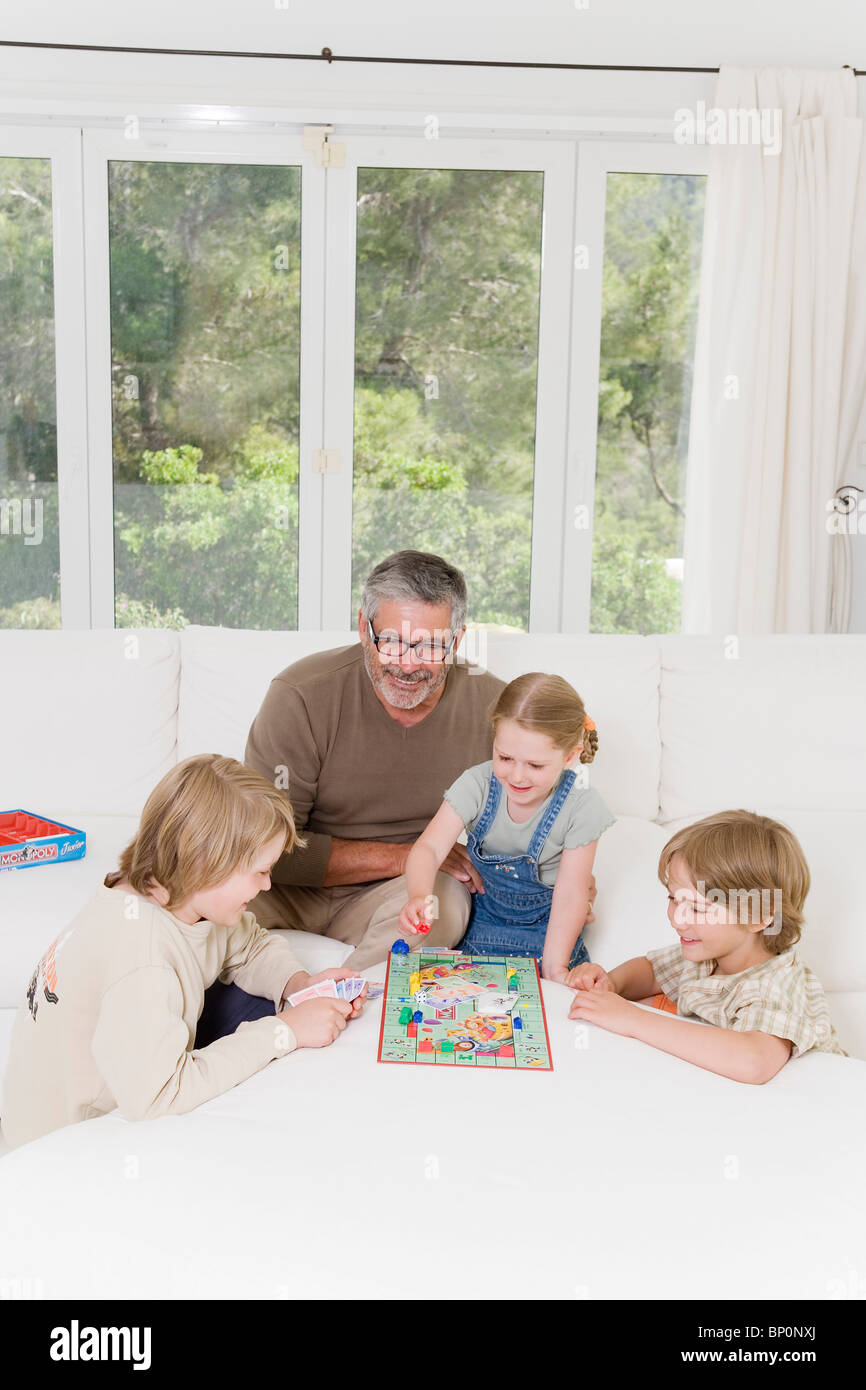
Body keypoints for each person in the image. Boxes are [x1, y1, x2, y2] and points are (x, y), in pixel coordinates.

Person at [0, 755, 365, 1151]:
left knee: (263, 1008)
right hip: (65, 1147)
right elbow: (159, 1097)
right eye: (260, 871)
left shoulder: (180, 896)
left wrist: (299, 985)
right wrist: (286, 1031)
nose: (267, 885)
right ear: (206, 865)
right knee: (270, 1054)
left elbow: (248, 944)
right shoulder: (143, 956)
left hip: (128, 1072)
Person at [244, 551, 510, 971]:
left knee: (442, 908)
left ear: (456, 641)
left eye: (429, 645)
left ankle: (341, 997)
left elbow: (524, 823)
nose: (407, 664)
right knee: (196, 892)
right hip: (281, 885)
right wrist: (409, 854)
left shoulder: (495, 707)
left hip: (399, 892)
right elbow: (264, 845)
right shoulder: (300, 695)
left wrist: (566, 875)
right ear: (363, 630)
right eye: (391, 640)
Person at [567, 809, 847, 1083]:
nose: (678, 918)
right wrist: (610, 986)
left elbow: (753, 1062)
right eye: (673, 898)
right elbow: (652, 971)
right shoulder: (709, 954)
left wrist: (631, 1018)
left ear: (760, 915)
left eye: (699, 909)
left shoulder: (777, 984)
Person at [399, 673, 615, 981]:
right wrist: (418, 895)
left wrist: (555, 968)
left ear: (570, 756)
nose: (516, 776)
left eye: (535, 765)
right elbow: (430, 848)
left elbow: (570, 895)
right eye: (505, 757)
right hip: (480, 920)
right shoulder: (477, 784)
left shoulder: (582, 806)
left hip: (548, 932)